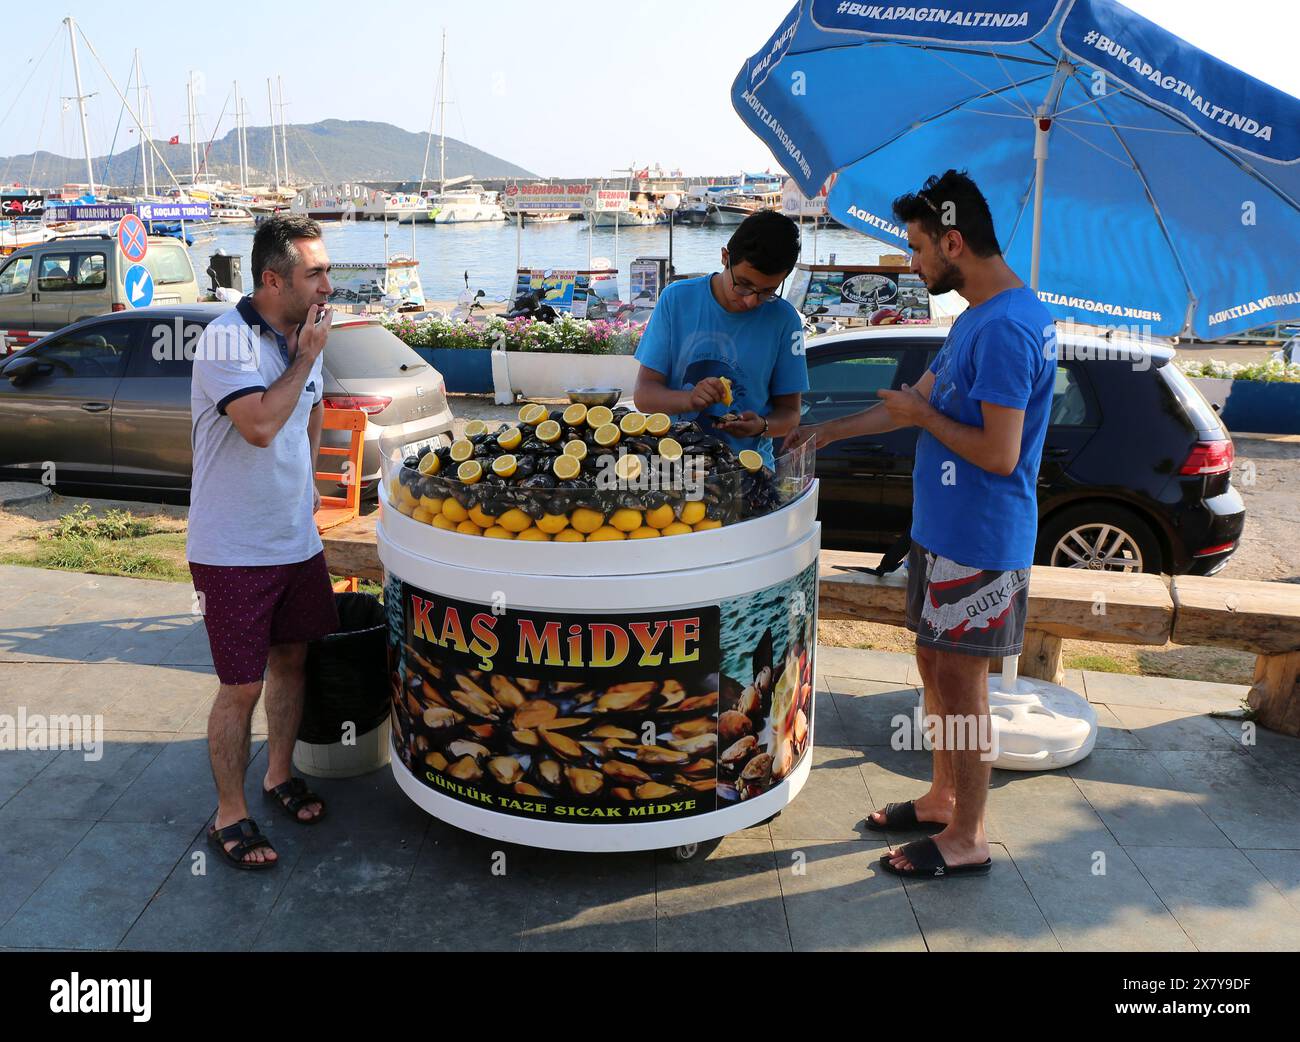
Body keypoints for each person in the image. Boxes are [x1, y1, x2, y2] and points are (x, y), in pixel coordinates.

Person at [787, 170, 1056, 879]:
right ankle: (942, 796)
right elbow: (910, 401)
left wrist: (923, 418)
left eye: (915, 247)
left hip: (981, 541)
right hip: (941, 535)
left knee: (965, 688)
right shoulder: (977, 317)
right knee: (934, 665)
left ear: (953, 241)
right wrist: (826, 434)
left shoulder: (1005, 329)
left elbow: (999, 454)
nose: (911, 261)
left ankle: (968, 835)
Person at [188, 214, 339, 869]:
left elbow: (310, 411)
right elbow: (257, 425)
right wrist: (306, 356)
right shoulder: (227, 343)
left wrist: (307, 490)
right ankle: (229, 815)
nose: (329, 283)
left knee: (292, 663)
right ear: (274, 279)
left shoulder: (301, 335)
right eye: (317, 273)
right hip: (233, 550)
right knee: (240, 687)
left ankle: (278, 775)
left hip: (293, 541)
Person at [633, 209, 808, 466]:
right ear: (725, 257)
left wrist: (762, 426)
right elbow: (644, 395)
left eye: (767, 291)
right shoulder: (676, 299)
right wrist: (689, 400)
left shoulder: (784, 320)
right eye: (744, 284)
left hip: (748, 469)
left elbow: (790, 414)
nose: (750, 300)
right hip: (675, 464)